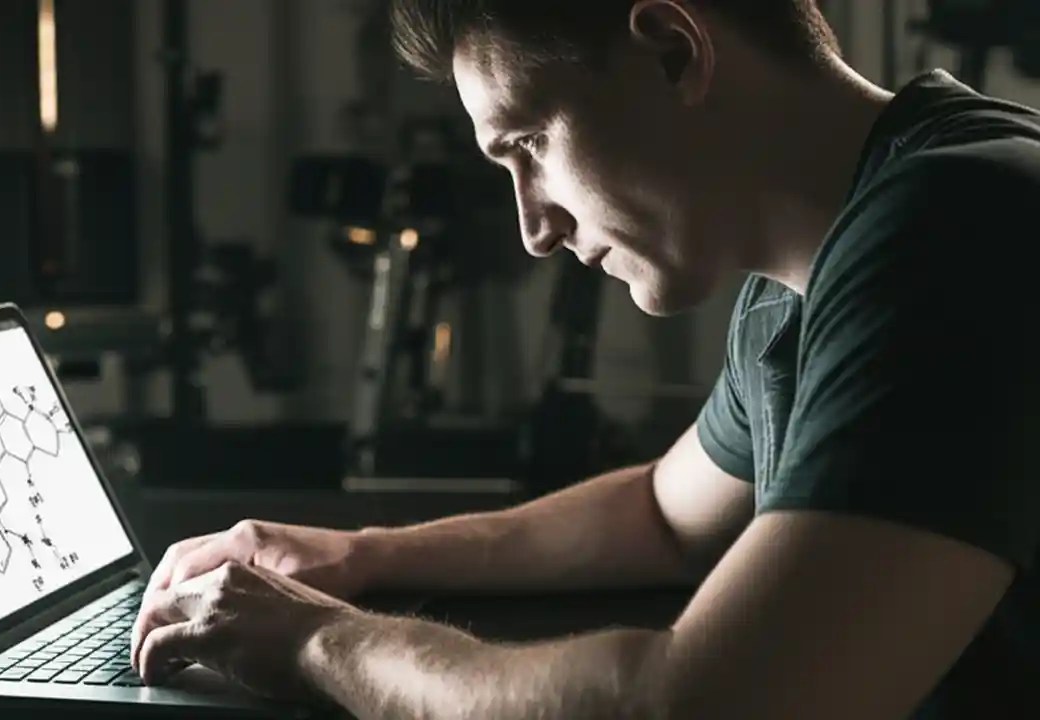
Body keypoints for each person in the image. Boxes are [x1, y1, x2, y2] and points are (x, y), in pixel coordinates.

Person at [130, 1, 1040, 716]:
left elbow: (704, 706)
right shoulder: (809, 270)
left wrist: (318, 643)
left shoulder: (957, 227)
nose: (533, 227)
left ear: (673, 52)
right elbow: (662, 514)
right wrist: (358, 556)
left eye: (529, 143)